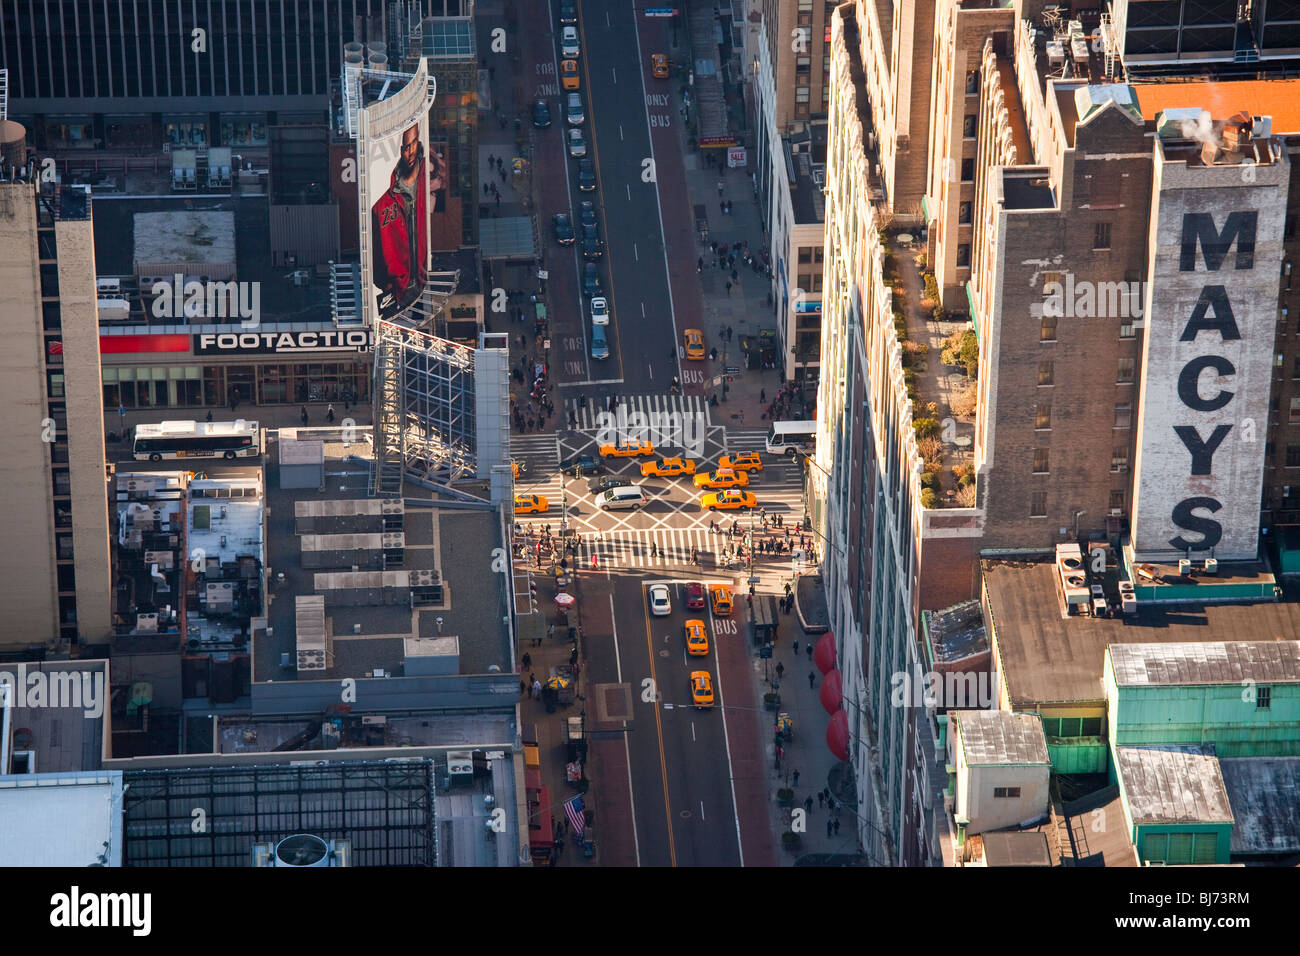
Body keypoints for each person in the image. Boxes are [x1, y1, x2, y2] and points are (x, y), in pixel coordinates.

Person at [371, 123, 427, 319]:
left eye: (413, 144)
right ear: (399, 150)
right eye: (405, 147)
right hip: (397, 290)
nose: (410, 152)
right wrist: (386, 284)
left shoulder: (425, 175)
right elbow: (377, 252)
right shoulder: (383, 203)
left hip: (421, 280)